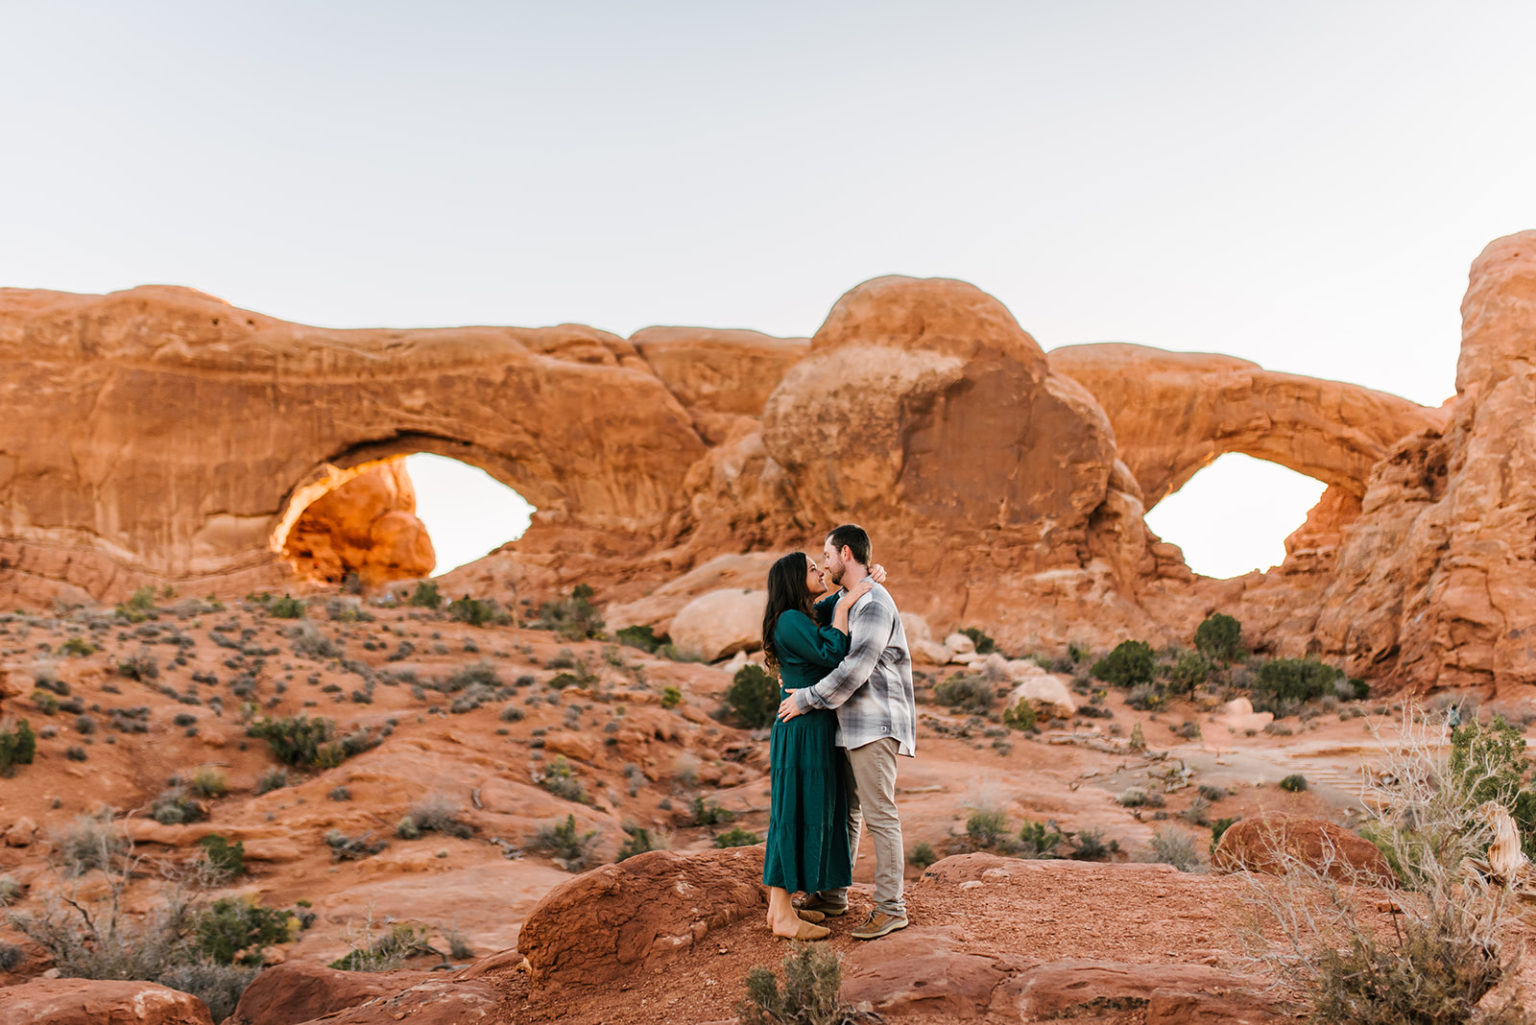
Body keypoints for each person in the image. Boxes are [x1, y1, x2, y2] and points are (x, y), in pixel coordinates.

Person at [778, 523, 916, 941]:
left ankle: (891, 908)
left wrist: (805, 698)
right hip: (849, 723)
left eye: (827, 555)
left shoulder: (873, 604)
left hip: (875, 723)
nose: (824, 564)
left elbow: (855, 669)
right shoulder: (852, 598)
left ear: (846, 554)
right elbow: (819, 624)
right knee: (848, 813)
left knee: (879, 815)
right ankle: (834, 895)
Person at [759, 551, 873, 940]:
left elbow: (834, 600)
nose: (821, 570)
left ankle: (777, 911)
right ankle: (783, 916)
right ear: (795, 580)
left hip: (811, 726)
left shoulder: (802, 615)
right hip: (802, 728)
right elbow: (832, 651)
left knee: (799, 810)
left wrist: (863, 579)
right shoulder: (790, 620)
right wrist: (845, 608)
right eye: (812, 568)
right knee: (793, 813)